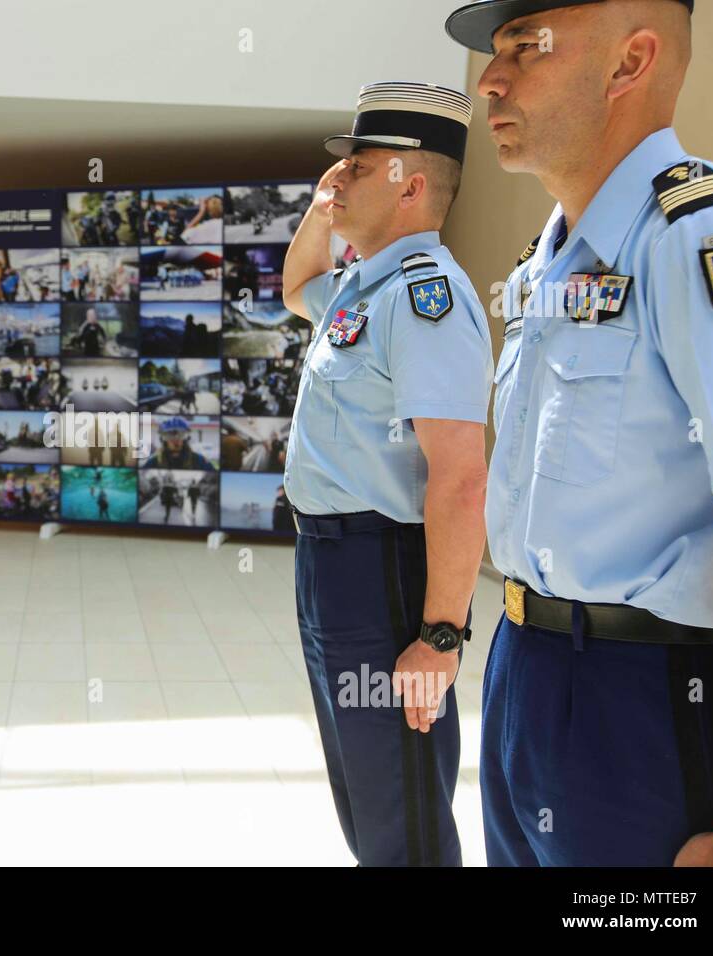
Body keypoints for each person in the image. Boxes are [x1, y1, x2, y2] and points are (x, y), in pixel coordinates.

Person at [445, 0, 713, 866]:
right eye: (491, 55)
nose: (489, 81)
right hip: (523, 667)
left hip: (648, 696)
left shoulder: (704, 238)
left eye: (523, 50)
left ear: (630, 63)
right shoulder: (545, 263)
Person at [282, 82, 492, 866]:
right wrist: (321, 207)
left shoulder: (425, 299)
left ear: (409, 184)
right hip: (330, 567)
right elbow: (294, 287)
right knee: (363, 787)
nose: (338, 181)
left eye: (357, 168)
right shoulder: (361, 287)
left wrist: (440, 634)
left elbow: (461, 477)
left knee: (399, 797)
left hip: (386, 576)